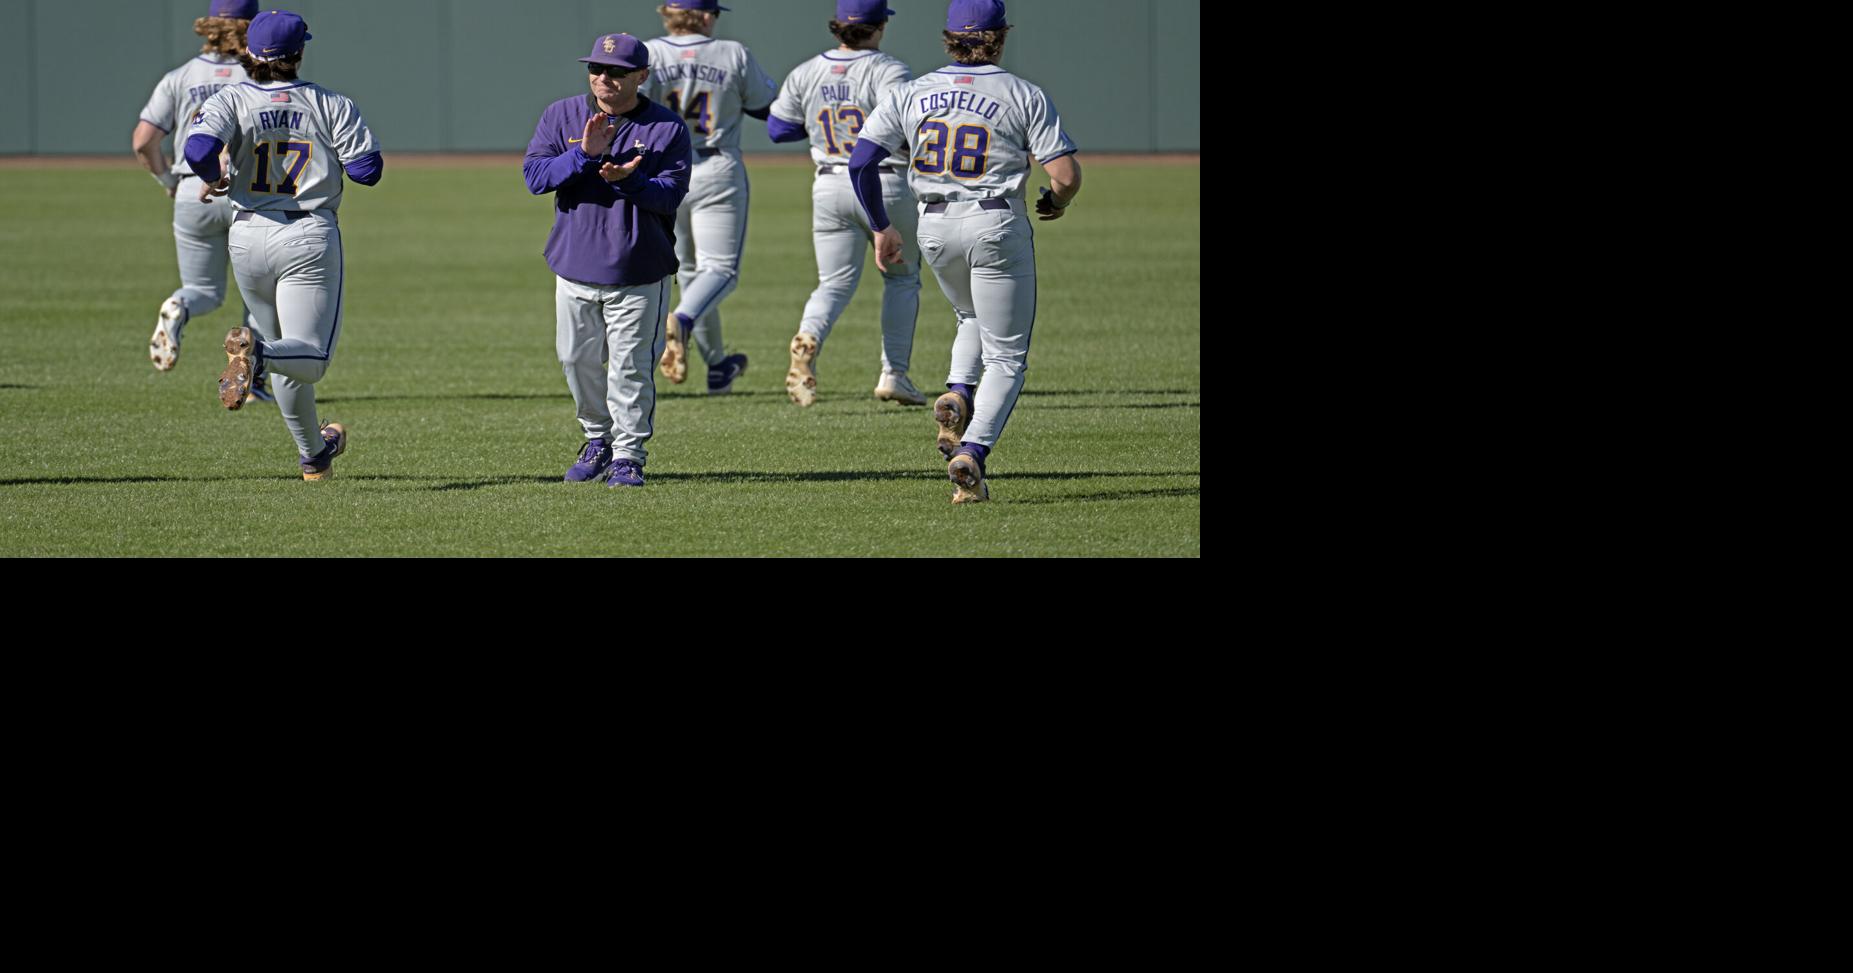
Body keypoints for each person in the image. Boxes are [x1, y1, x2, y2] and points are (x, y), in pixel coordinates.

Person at [851, 0, 1081, 503]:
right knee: (1008, 359)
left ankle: (958, 390)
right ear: (1000, 36)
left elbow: (861, 162)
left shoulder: (911, 92)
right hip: (994, 219)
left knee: (968, 315)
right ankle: (973, 451)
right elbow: (1063, 176)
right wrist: (1056, 201)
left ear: (948, 37)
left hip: (934, 223)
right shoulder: (1021, 92)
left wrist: (881, 225)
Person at [184, 9, 383, 480]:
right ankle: (256, 357)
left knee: (287, 348)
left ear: (250, 51)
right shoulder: (330, 103)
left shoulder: (231, 97)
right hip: (307, 234)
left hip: (248, 233)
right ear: (299, 53)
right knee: (308, 359)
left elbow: (197, 150)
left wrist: (216, 177)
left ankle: (314, 455)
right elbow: (367, 172)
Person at [525, 32, 693, 488]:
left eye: (618, 71)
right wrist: (583, 154)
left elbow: (670, 194)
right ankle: (597, 439)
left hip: (638, 266)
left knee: (630, 366)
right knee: (575, 360)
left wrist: (628, 181)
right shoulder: (561, 115)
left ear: (641, 76)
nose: (605, 78)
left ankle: (628, 456)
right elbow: (536, 177)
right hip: (574, 262)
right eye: (597, 69)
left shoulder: (666, 127)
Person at [766, 1, 925, 408]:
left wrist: (823, 117)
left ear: (837, 27)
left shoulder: (806, 70)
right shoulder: (887, 69)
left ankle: (810, 336)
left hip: (828, 185)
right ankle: (894, 374)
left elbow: (778, 129)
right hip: (883, 180)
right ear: (879, 27)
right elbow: (903, 127)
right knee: (901, 278)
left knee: (833, 283)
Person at [133, 0, 270, 403]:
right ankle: (252, 382)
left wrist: (165, 178)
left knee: (204, 290)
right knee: (258, 294)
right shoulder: (257, 74)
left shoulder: (180, 76)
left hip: (192, 189)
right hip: (244, 194)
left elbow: (143, 140)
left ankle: (178, 305)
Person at [641, 1, 777, 394]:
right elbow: (767, 107)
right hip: (715, 166)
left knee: (689, 273)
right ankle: (680, 321)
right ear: (703, 16)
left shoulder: (649, 53)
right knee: (720, 271)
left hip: (663, 172)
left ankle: (717, 365)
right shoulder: (732, 53)